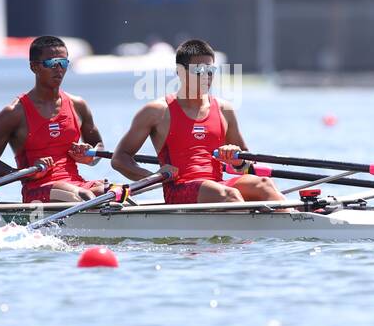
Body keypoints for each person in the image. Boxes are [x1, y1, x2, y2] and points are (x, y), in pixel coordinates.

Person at [111, 38, 285, 204]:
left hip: (218, 187)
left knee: (264, 184)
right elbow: (120, 159)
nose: (206, 76)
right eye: (199, 70)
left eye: (210, 71)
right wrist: (153, 175)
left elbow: (247, 163)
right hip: (179, 189)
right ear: (180, 71)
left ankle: (295, 220)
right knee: (230, 195)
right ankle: (250, 232)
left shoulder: (225, 109)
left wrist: (237, 160)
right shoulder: (157, 111)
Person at [0, 35, 109, 203]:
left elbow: (99, 148)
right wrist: (25, 173)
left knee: (116, 192)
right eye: (52, 63)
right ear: (34, 67)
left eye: (64, 63)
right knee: (84, 196)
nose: (59, 68)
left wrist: (90, 157)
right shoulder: (13, 113)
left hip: (77, 184)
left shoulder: (78, 105)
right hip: (38, 190)